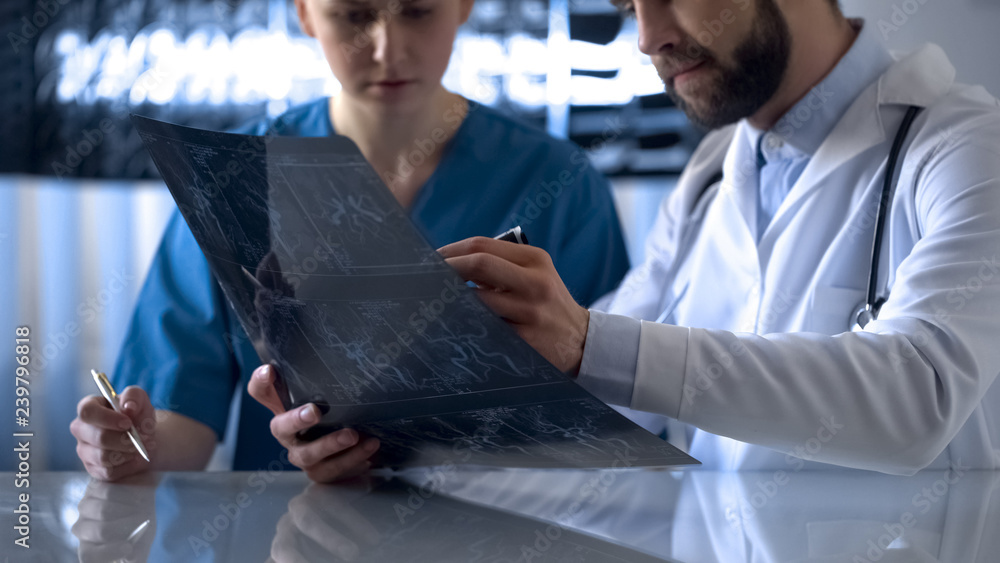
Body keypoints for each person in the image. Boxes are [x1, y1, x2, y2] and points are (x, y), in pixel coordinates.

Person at [70, 0, 630, 481]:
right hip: (283, 538)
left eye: (416, 10)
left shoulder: (560, 183)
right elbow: (177, 419)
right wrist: (132, 445)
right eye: (355, 15)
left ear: (464, 4)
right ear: (305, 13)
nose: (388, 49)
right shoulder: (231, 182)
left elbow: (615, 414)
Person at [435, 0, 1000, 475]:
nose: (648, 38)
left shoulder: (968, 147)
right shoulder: (710, 172)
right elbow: (596, 404)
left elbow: (918, 397)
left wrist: (586, 342)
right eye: (630, 6)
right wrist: (396, 438)